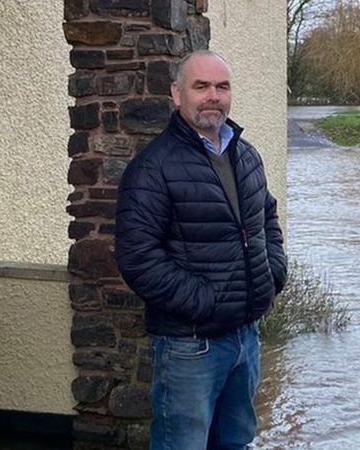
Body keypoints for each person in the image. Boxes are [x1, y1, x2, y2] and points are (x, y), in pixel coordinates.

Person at [115, 50, 287, 450]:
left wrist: (273, 272)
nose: (213, 96)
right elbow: (137, 257)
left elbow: (267, 216)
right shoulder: (153, 168)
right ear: (177, 94)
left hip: (245, 336)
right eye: (201, 86)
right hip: (190, 345)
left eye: (222, 86)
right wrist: (204, 301)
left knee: (236, 442)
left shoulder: (245, 156)